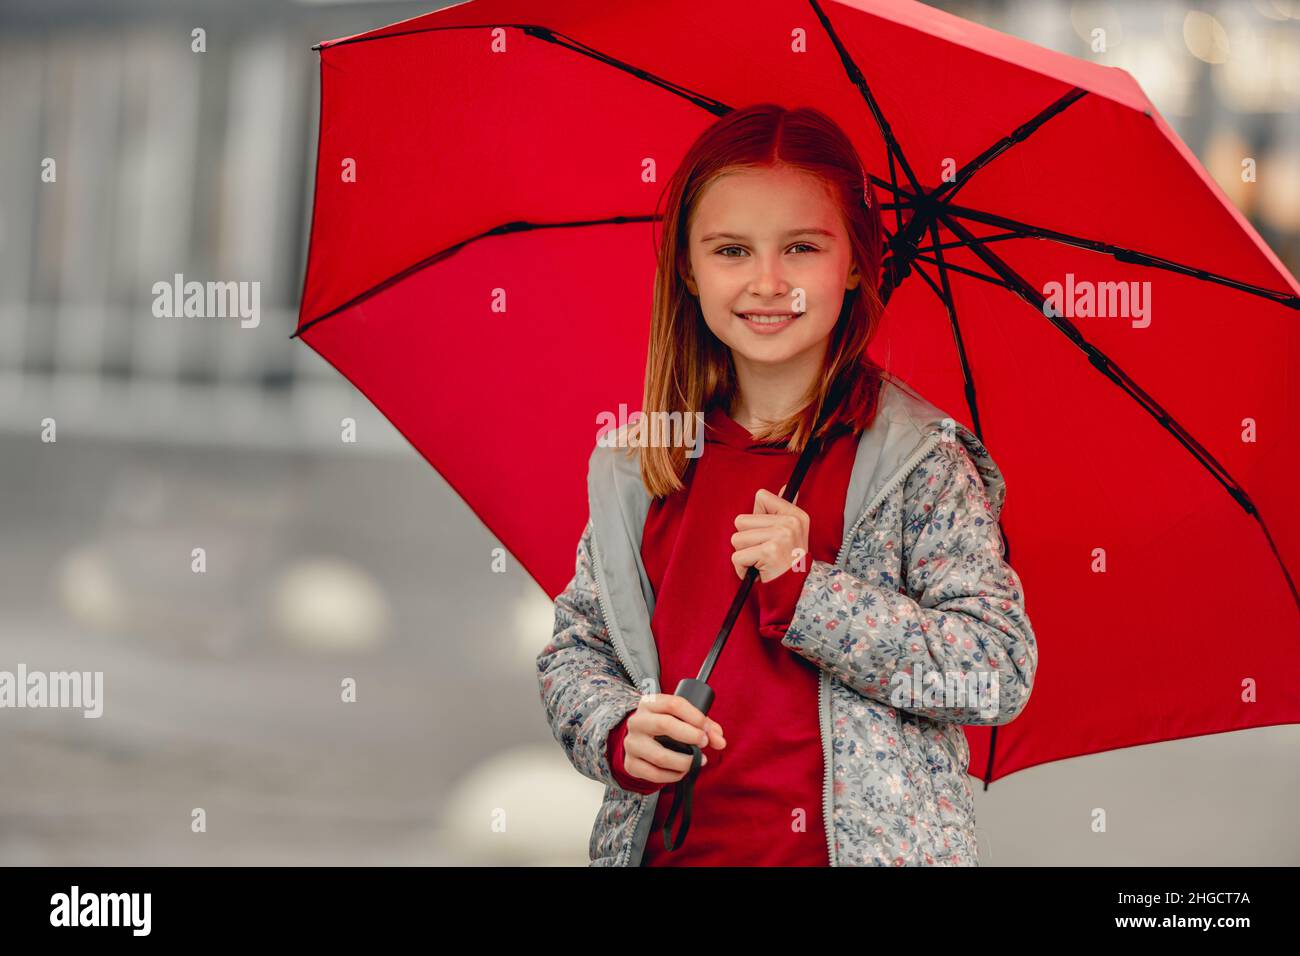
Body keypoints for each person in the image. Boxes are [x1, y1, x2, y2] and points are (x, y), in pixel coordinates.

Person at [537, 103, 1037, 866]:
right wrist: (616, 727)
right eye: (731, 250)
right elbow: (578, 650)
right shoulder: (644, 464)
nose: (768, 282)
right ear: (687, 266)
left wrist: (813, 595)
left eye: (802, 247)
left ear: (857, 262)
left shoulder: (918, 463)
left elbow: (994, 671)